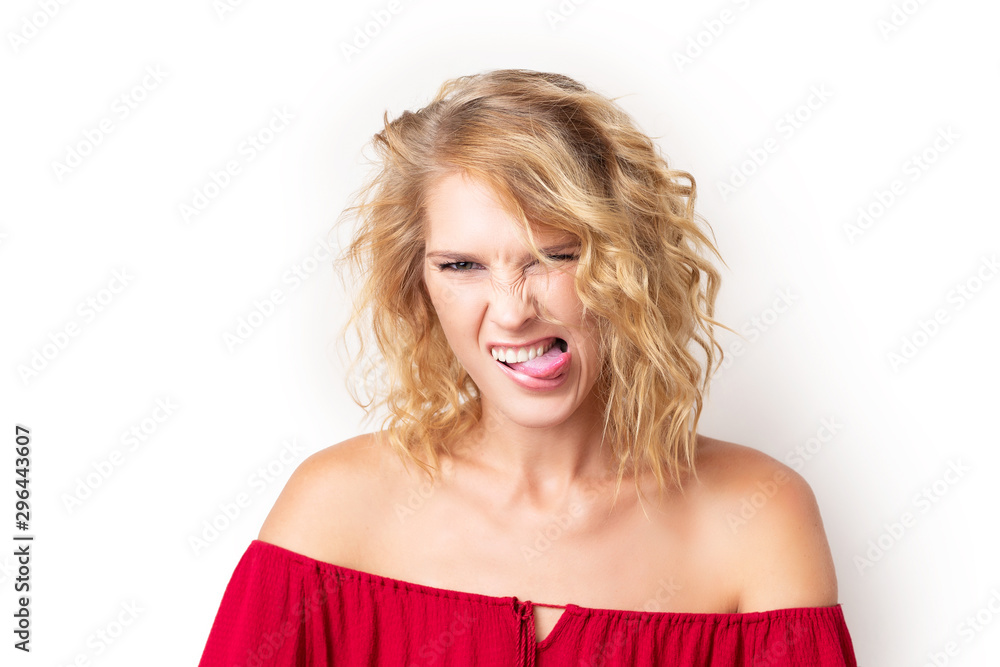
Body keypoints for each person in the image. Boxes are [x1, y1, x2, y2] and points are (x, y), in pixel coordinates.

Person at [198, 69, 857, 666]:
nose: (513, 312)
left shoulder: (758, 518)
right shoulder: (332, 512)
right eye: (462, 265)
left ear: (630, 266)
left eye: (555, 257)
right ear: (418, 283)